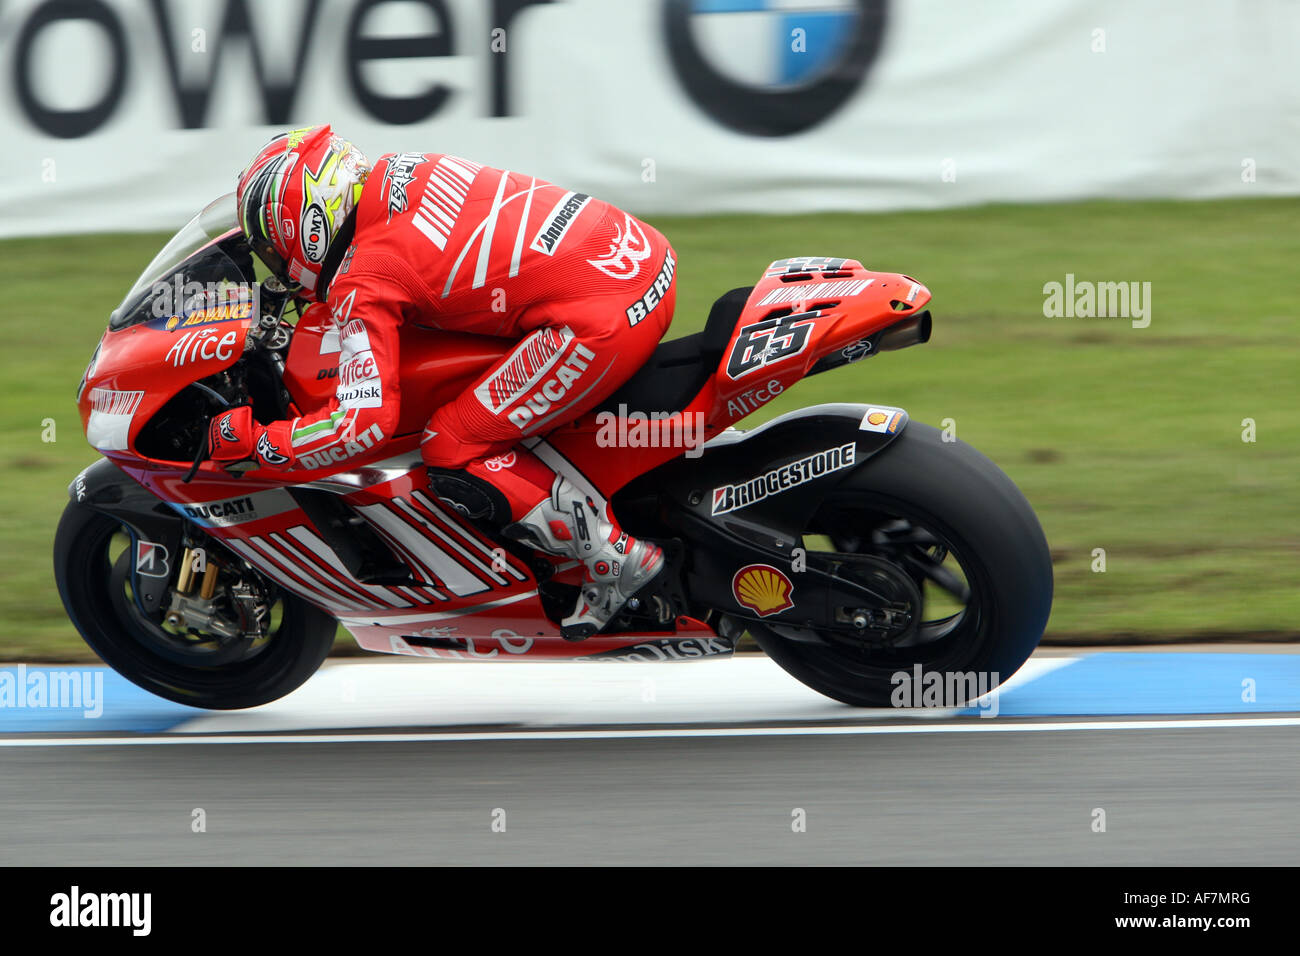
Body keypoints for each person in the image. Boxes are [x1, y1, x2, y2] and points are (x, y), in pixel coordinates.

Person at [208, 125, 674, 639]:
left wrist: (261, 445)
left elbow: (363, 427)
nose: (277, 270)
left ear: (305, 225)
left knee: (451, 441)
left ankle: (612, 559)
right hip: (637, 252)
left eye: (272, 250)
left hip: (602, 316)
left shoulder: (365, 279)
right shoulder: (399, 170)